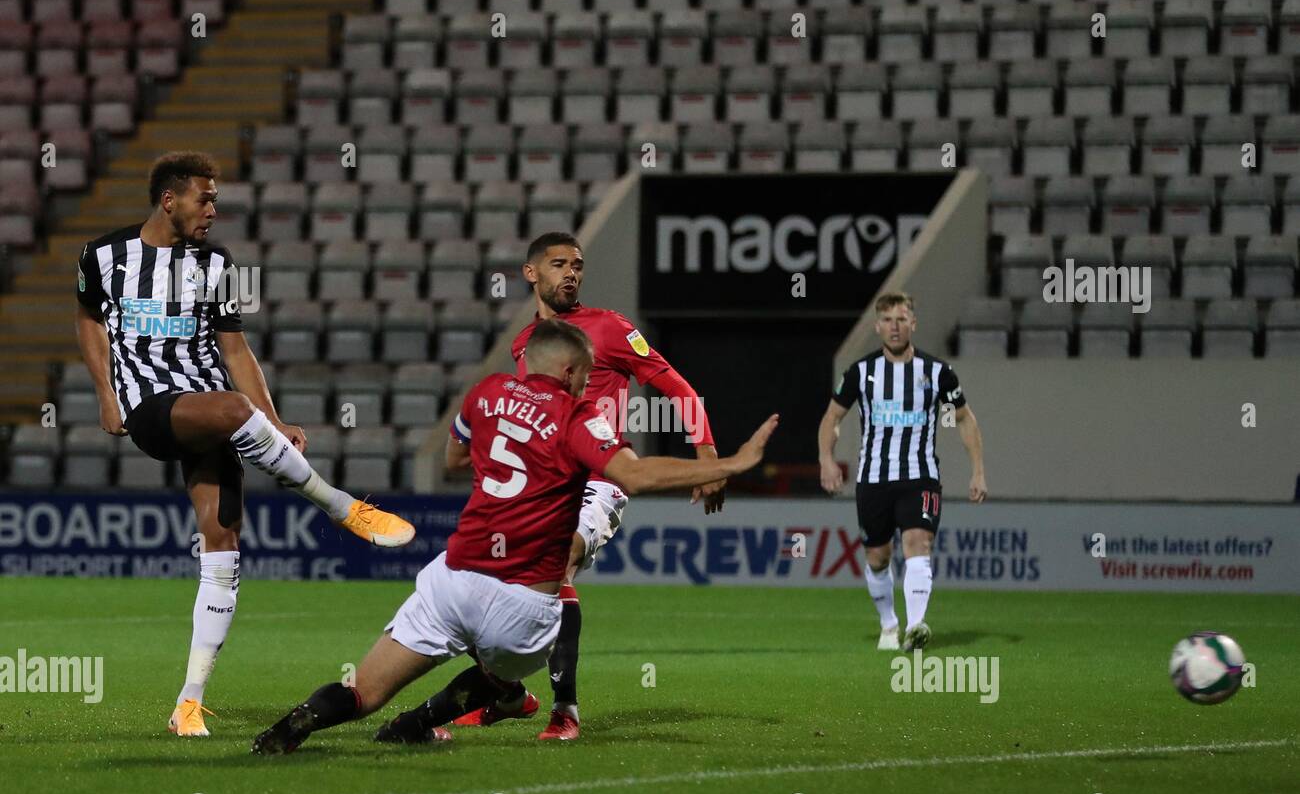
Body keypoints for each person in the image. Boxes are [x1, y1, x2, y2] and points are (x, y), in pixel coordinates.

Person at [252, 319, 777, 754]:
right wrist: (733, 462)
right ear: (570, 371)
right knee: (501, 678)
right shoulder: (579, 417)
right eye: (586, 376)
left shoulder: (486, 393)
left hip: (452, 580)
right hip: (521, 604)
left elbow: (454, 459)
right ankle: (432, 720)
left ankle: (287, 730)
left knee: (362, 691)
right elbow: (633, 476)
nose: (585, 385)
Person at [74, 151, 414, 738]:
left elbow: (234, 350)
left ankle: (188, 701)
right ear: (169, 200)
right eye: (204, 199)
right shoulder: (103, 256)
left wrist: (275, 422)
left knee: (223, 544)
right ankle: (340, 506)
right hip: (151, 407)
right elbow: (87, 319)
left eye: (215, 200)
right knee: (236, 409)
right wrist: (105, 391)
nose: (213, 210)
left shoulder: (216, 263)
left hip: (209, 413)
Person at [455, 232, 723, 741]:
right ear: (531, 273)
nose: (571, 273)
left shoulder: (611, 328)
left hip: (601, 479)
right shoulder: (525, 346)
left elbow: (676, 387)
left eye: (577, 265)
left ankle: (566, 711)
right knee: (473, 580)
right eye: (558, 264)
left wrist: (706, 454)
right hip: (541, 487)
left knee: (560, 562)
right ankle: (511, 697)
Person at [817, 292, 987, 651]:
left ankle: (916, 625)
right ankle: (889, 625)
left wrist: (978, 471)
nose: (895, 327)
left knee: (918, 542)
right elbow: (832, 418)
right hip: (873, 480)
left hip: (920, 475)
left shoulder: (938, 372)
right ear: (877, 326)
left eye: (901, 318)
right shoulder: (860, 373)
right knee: (877, 557)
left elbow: (964, 418)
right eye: (888, 320)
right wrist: (826, 459)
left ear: (914, 323)